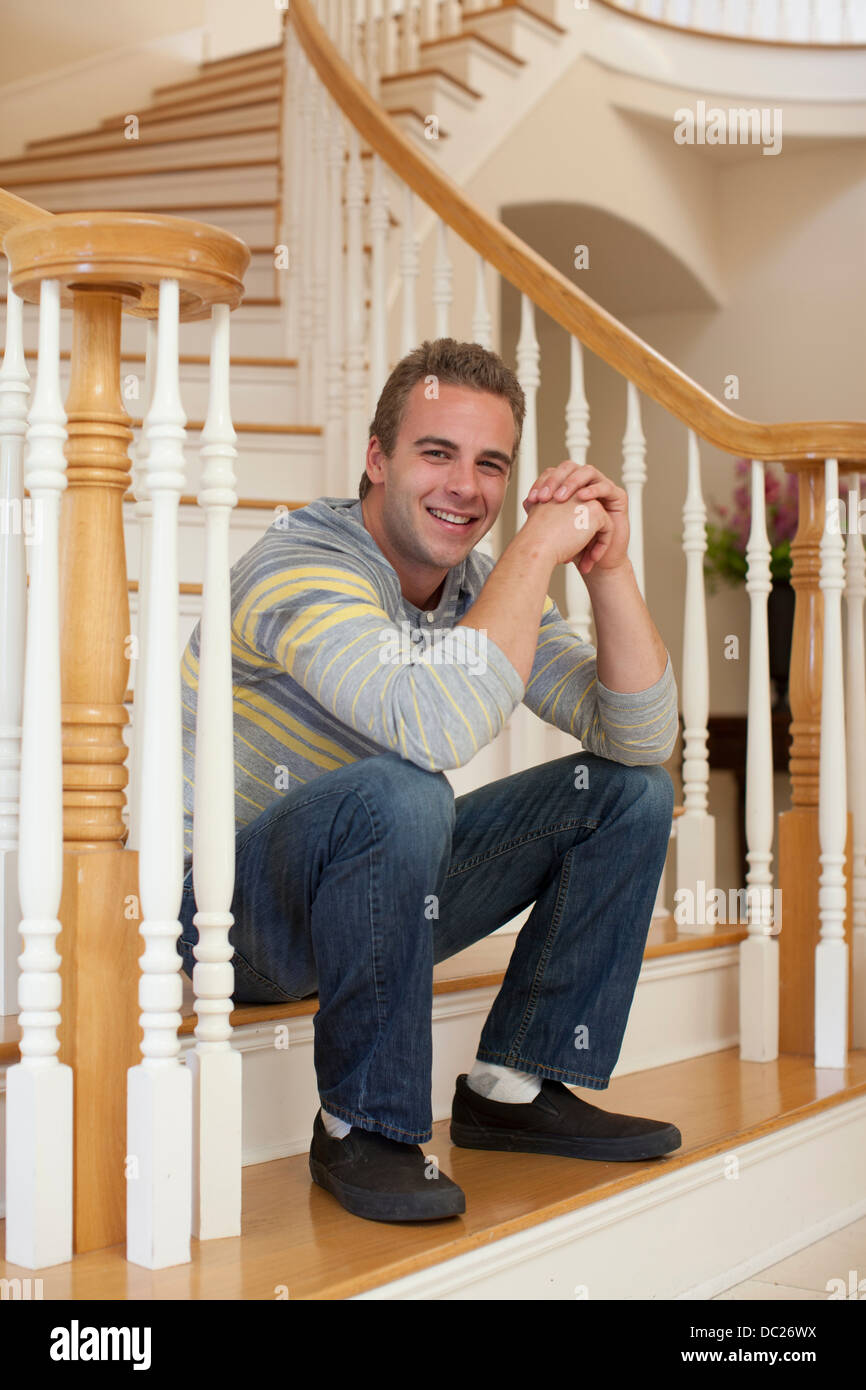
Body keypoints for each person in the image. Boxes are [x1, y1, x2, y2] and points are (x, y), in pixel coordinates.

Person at [178, 338, 681, 1225]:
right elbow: (430, 726)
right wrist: (534, 553)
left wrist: (608, 568)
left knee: (628, 794)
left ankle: (514, 1086)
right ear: (377, 459)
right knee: (408, 789)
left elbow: (641, 739)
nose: (466, 487)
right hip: (232, 917)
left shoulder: (477, 588)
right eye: (436, 453)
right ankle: (361, 1126)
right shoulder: (301, 563)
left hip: (377, 895)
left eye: (491, 464)